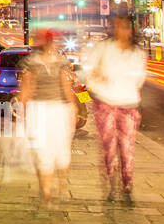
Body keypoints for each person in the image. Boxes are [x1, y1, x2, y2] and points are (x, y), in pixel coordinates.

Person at [83, 14, 148, 204]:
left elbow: (139, 77)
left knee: (127, 149)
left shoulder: (137, 53)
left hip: (129, 104)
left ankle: (127, 186)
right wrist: (97, 79)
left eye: (126, 27)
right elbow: (87, 72)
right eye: (119, 26)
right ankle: (111, 185)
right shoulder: (103, 49)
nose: (123, 30)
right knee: (109, 148)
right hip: (105, 102)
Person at [16, 29, 77, 207]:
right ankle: (60, 186)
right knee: (60, 150)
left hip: (40, 111)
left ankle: (47, 193)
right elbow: (68, 89)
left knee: (43, 152)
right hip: (58, 110)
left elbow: (26, 91)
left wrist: (23, 113)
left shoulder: (31, 63)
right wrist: (74, 108)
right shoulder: (61, 62)